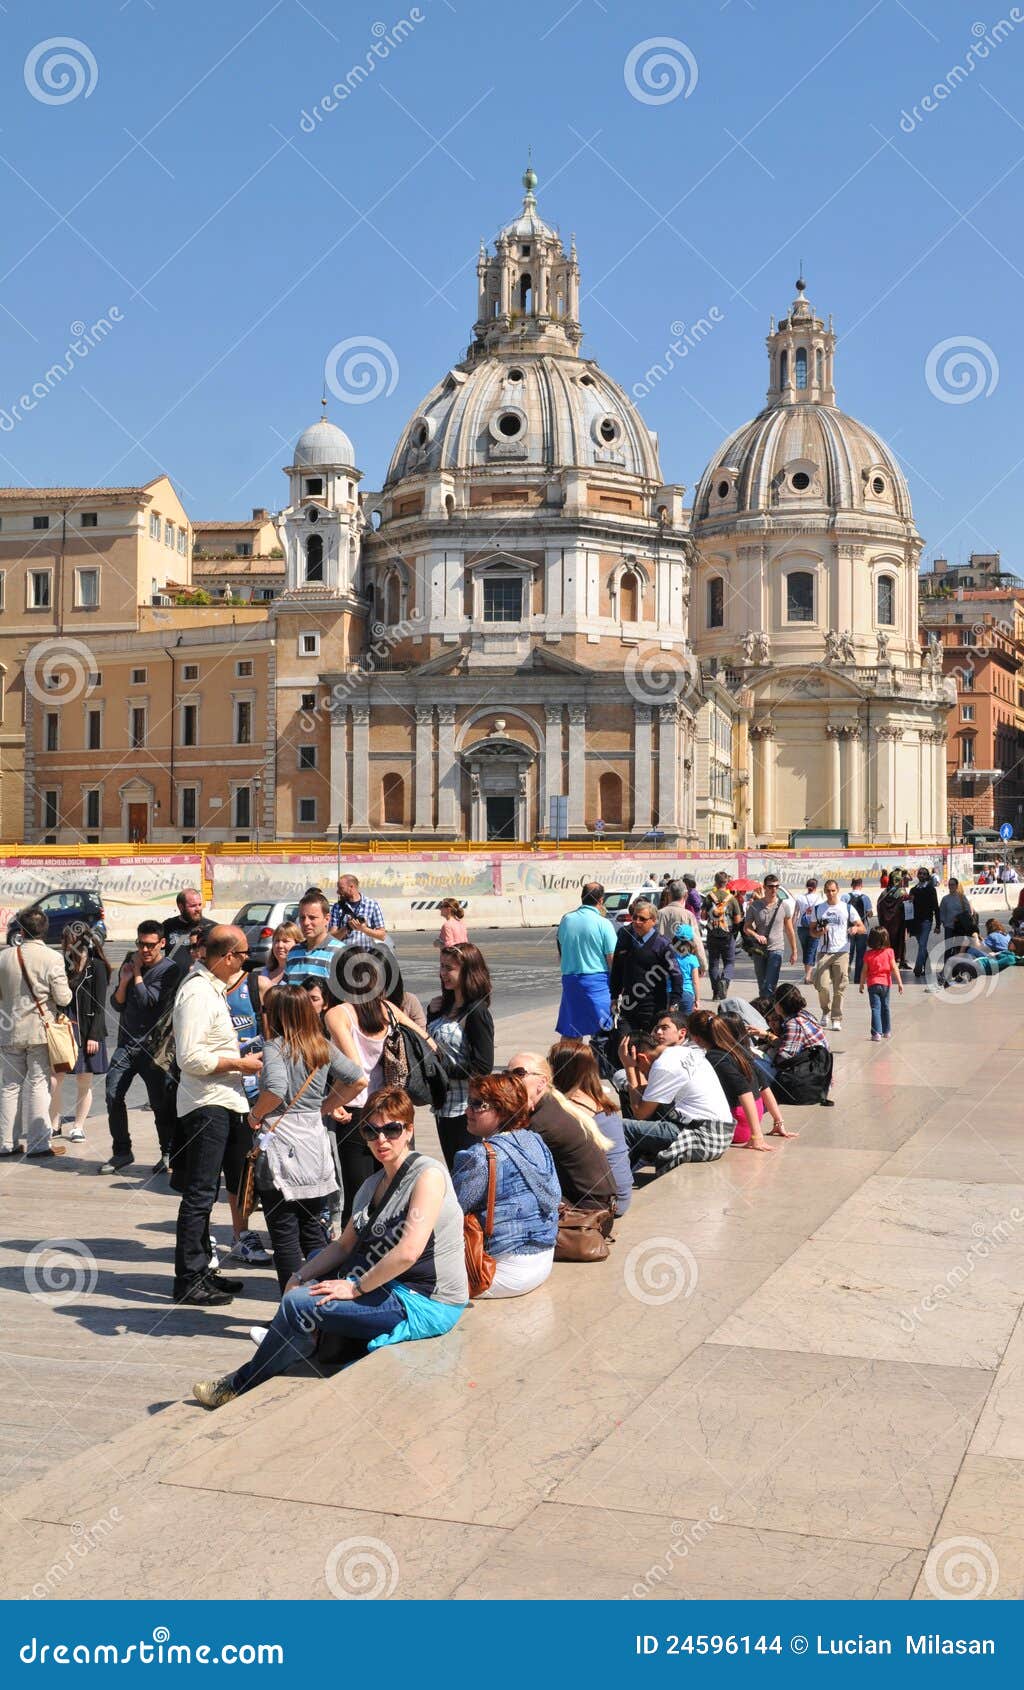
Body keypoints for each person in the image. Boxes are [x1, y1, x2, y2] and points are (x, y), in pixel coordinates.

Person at [192, 1086, 468, 1410]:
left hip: (426, 1301)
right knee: (306, 1290)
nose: (381, 1139)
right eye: (371, 1130)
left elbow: (409, 1250)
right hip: (391, 1289)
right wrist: (300, 1273)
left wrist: (355, 1288)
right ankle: (292, 1340)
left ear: (409, 1130)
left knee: (299, 1305)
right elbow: (343, 1244)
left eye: (391, 1129)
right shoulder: (371, 1186)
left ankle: (238, 1384)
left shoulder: (428, 1176)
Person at [246, 984, 365, 1291]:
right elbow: (358, 1079)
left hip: (282, 1144)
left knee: (284, 1235)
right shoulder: (321, 1045)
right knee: (313, 1230)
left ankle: (291, 1306)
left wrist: (256, 1115)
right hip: (314, 1143)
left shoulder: (275, 1047)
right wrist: (326, 1106)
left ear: (278, 1014)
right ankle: (318, 1304)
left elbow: (274, 1088)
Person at [172, 926, 263, 1306]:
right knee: (199, 1193)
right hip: (206, 1104)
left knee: (210, 1192)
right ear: (227, 957)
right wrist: (240, 1063)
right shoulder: (196, 993)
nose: (245, 965)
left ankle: (204, 1270)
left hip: (224, 1101)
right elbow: (190, 1058)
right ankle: (189, 1279)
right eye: (243, 957)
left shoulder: (210, 990)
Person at [322, 948, 426, 1221]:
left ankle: (355, 1257)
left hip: (359, 1115)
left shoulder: (338, 1014)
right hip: (394, 1110)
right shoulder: (389, 1010)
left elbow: (356, 1075)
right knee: (395, 1192)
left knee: (358, 1199)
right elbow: (428, 1044)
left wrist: (329, 1104)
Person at [452, 1072, 560, 1299]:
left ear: (502, 1109)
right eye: (468, 1103)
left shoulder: (480, 1157)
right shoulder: (535, 1140)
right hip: (543, 1262)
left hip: (496, 1272)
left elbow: (449, 1213)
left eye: (476, 1104)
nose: (467, 1111)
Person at [101, 921, 179, 1174]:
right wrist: (124, 981)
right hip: (126, 1044)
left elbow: (149, 1002)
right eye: (140, 944)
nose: (144, 950)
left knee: (160, 1103)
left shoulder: (170, 970)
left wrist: (135, 973)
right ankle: (122, 1151)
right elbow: (117, 1004)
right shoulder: (131, 960)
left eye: (150, 945)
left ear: (162, 944)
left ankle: (167, 1153)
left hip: (153, 1048)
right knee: (113, 1094)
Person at [0, 908, 73, 1159]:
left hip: (9, 1029)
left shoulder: (4, 956)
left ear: (21, 931)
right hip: (40, 1031)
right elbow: (63, 997)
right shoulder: (52, 958)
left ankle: (6, 1143)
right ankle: (38, 1143)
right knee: (38, 1085)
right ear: (45, 929)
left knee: (9, 1086)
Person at [506, 1051, 618, 1211]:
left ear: (542, 1082)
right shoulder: (552, 1104)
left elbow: (509, 1165)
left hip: (586, 1216)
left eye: (519, 1073)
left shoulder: (542, 1122)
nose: (510, 1081)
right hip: (598, 1204)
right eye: (506, 1074)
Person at [619, 1020, 733, 1172]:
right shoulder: (681, 1051)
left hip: (705, 1136)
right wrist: (634, 1068)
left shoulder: (663, 1066)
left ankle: (619, 1180)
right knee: (645, 1111)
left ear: (642, 1058)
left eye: (638, 1067)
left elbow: (640, 1113)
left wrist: (629, 1068)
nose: (641, 1072)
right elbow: (646, 1098)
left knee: (620, 1126)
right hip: (720, 1131)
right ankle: (638, 1163)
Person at [426, 942, 494, 1169]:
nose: (443, 973)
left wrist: (441, 1068)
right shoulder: (443, 1006)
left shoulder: (477, 1012)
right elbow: (435, 1044)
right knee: (455, 1173)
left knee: (468, 1175)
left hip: (465, 1109)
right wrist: (431, 1015)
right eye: (442, 967)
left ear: (468, 971)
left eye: (449, 968)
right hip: (443, 1105)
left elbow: (483, 1067)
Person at [686, 1009, 794, 1150]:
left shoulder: (715, 1057)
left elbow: (744, 1091)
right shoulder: (738, 1049)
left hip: (738, 1126)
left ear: (696, 1038)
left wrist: (757, 1137)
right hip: (754, 1114)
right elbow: (764, 1086)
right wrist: (778, 1122)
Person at [548, 1037, 633, 1216]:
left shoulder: (570, 1107)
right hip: (621, 1195)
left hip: (603, 1204)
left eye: (550, 1063)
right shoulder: (599, 1102)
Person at [49, 930, 110, 1145]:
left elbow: (100, 1004)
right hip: (64, 1028)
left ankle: (78, 1126)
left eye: (68, 940)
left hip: (89, 1030)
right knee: (55, 1080)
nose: (64, 944)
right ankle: (54, 1125)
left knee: (84, 1080)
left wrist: (94, 1035)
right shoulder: (62, 965)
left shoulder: (97, 966)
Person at [610, 900, 685, 1035]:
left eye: (642, 919)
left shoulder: (662, 944)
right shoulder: (625, 939)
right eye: (634, 918)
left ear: (653, 921)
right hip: (628, 1005)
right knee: (626, 1043)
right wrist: (614, 997)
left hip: (653, 1007)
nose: (637, 922)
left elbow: (676, 975)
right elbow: (616, 969)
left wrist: (674, 1003)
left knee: (649, 1046)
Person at [555, 882, 618, 1038]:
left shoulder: (566, 920)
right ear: (601, 900)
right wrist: (618, 987)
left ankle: (569, 1059)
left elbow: (561, 949)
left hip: (571, 980)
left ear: (582, 897)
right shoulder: (603, 924)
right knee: (603, 1028)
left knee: (572, 1028)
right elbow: (611, 958)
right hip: (597, 981)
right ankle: (599, 1061)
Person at [766, 984, 835, 1106]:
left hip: (812, 1080)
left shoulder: (794, 1023)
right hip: (822, 1076)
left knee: (763, 1062)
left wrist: (766, 1046)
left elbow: (785, 1057)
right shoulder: (804, 1014)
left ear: (779, 1005)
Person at [810, 879, 864, 1030]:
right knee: (822, 985)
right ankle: (825, 1011)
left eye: (833, 890)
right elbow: (812, 931)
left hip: (841, 952)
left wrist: (855, 929)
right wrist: (819, 932)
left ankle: (836, 1017)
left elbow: (862, 928)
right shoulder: (818, 909)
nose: (830, 893)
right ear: (824, 891)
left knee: (840, 987)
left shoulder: (847, 908)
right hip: (824, 952)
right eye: (828, 891)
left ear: (838, 890)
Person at [742, 873, 797, 999]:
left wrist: (794, 951)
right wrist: (756, 935)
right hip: (759, 950)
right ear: (765, 887)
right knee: (762, 984)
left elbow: (789, 930)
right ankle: (765, 1010)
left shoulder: (784, 906)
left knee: (770, 984)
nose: (774, 889)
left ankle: (769, 1011)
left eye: (777, 886)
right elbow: (746, 928)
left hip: (776, 949)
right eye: (771, 886)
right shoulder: (755, 906)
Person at [284, 891, 344, 986]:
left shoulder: (339, 952)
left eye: (312, 918)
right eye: (302, 918)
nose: (306, 923)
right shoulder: (293, 952)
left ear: (327, 919)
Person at [703, 872, 743, 1001]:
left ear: (715, 882)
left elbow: (703, 916)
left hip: (712, 934)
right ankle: (725, 980)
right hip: (728, 935)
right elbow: (737, 920)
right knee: (729, 962)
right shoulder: (732, 899)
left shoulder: (709, 897)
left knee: (713, 963)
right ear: (726, 883)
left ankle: (715, 992)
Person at [859, 926, 902, 1040]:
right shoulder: (889, 952)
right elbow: (894, 968)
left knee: (875, 1008)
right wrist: (900, 983)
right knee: (886, 1007)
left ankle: (876, 1033)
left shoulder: (868, 954)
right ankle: (887, 1031)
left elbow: (864, 971)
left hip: (873, 984)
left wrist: (861, 983)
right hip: (886, 984)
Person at [656, 879, 708, 972]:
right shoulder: (688, 915)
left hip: (661, 964)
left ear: (669, 895)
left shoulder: (659, 914)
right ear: (686, 895)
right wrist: (703, 965)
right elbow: (696, 940)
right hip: (683, 965)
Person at [329, 874, 388, 949]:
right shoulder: (337, 907)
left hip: (366, 955)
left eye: (341, 888)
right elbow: (332, 938)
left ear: (351, 887)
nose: (338, 892)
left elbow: (382, 935)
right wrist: (347, 927)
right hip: (344, 956)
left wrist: (363, 929)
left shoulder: (372, 905)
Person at [937, 878, 976, 985]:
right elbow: (942, 913)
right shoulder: (945, 899)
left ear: (957, 885)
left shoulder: (962, 897)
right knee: (948, 949)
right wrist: (943, 923)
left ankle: (960, 970)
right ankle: (946, 971)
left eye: (953, 884)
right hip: (949, 927)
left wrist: (959, 918)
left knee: (959, 949)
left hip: (960, 927)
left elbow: (968, 911)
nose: (951, 886)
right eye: (949, 885)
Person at [907, 866, 940, 981]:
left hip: (927, 921)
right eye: (920, 873)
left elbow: (936, 907)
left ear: (927, 876)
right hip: (915, 922)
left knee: (922, 944)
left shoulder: (931, 889)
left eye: (924, 874)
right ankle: (928, 968)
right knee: (922, 946)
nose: (921, 875)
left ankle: (917, 968)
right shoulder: (913, 890)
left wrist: (938, 925)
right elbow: (909, 907)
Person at [257, 921, 301, 999]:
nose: (280, 945)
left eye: (285, 941)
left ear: (297, 943)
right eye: (277, 941)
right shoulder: (265, 972)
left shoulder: (300, 972)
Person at [843, 878, 874, 985]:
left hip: (849, 929)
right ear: (861, 885)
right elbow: (870, 913)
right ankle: (858, 979)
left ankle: (845, 976)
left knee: (848, 954)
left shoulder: (845, 896)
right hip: (862, 929)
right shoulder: (865, 897)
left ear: (852, 885)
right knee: (861, 955)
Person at [792, 878, 821, 983]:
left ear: (807, 886)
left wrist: (791, 927)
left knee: (806, 950)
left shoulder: (800, 898)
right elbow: (821, 915)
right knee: (811, 950)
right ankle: (808, 976)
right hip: (815, 927)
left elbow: (795, 913)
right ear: (815, 887)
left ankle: (807, 974)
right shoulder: (819, 899)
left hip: (801, 927)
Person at [877, 877, 907, 968]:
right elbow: (907, 904)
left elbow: (879, 905)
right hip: (898, 922)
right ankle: (900, 960)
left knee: (887, 940)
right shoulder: (901, 892)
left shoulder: (884, 892)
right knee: (900, 940)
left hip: (886, 923)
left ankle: (887, 961)